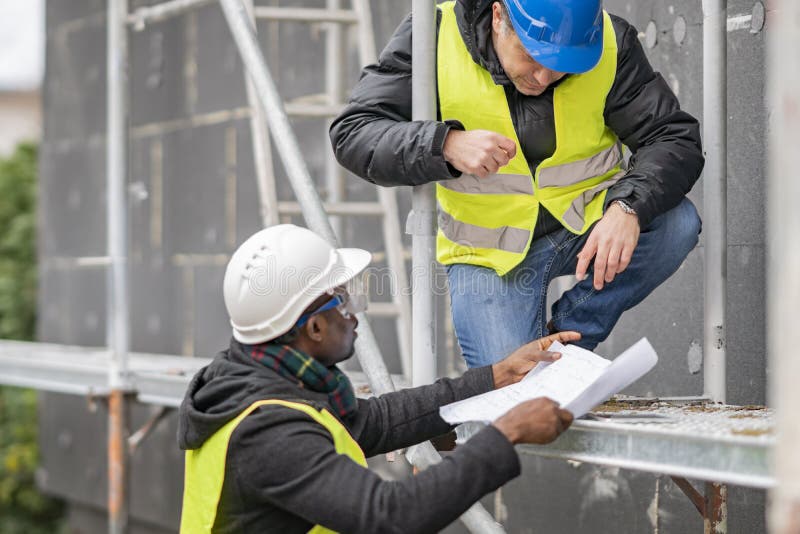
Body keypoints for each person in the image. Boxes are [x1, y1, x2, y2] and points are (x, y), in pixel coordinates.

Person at [330, 0, 704, 368]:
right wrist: (444, 144)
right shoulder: (434, 33)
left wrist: (628, 208)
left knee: (676, 223)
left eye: (560, 65)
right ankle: (544, 366)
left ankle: (568, 340)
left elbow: (672, 137)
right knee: (512, 389)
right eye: (532, 55)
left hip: (584, 224)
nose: (542, 77)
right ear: (497, 16)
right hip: (490, 252)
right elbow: (355, 132)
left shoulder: (608, 41)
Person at [178, 224, 578, 533]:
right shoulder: (268, 431)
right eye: (344, 301)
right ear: (315, 328)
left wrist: (497, 375)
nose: (354, 315)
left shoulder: (247, 379)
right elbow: (390, 516)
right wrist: (505, 434)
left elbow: (370, 422)